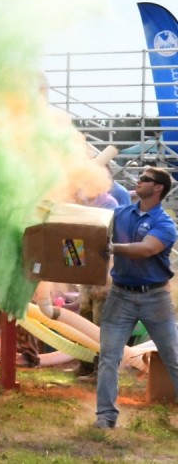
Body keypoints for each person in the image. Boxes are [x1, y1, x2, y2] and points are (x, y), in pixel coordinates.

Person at [94, 167, 178, 429]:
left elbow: (147, 249)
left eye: (144, 179)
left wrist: (112, 248)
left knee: (172, 356)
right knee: (108, 356)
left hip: (155, 298)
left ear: (158, 188)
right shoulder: (119, 214)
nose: (138, 181)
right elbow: (90, 228)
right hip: (120, 294)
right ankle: (105, 416)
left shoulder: (165, 224)